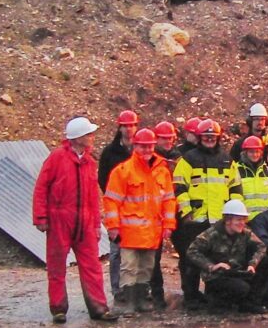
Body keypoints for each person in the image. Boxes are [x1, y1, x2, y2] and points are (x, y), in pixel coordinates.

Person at [32, 116, 117, 323]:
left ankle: (99, 308)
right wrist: (41, 217)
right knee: (56, 265)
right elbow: (41, 188)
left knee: (92, 266)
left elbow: (92, 196)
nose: (92, 137)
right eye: (88, 134)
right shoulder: (56, 158)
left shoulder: (89, 161)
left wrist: (97, 225)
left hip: (85, 222)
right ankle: (58, 308)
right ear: (78, 138)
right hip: (60, 218)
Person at [102, 128, 176, 313]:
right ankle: (128, 302)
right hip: (129, 232)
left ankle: (142, 300)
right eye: (143, 147)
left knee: (146, 268)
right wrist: (113, 227)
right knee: (129, 268)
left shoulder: (162, 171)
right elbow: (111, 201)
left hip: (152, 232)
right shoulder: (123, 171)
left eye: (149, 146)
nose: (146, 150)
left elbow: (168, 200)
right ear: (135, 146)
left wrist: (169, 225)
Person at [172, 119, 243, 309]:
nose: (210, 139)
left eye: (213, 136)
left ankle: (213, 297)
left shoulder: (227, 160)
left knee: (218, 259)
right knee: (191, 260)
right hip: (196, 219)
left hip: (219, 220)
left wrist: (233, 216)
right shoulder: (188, 159)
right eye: (206, 136)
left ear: (218, 137)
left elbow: (236, 189)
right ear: (200, 138)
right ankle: (191, 297)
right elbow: (179, 188)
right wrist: (187, 212)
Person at [186, 199, 268, 314]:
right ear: (228, 220)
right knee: (241, 288)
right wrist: (211, 266)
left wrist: (252, 264)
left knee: (267, 261)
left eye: (243, 219)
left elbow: (261, 247)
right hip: (217, 276)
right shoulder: (211, 234)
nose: (242, 223)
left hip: (235, 270)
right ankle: (218, 302)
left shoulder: (245, 233)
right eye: (238, 220)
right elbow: (192, 251)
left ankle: (250, 304)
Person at [98, 109, 139, 302]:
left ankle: (138, 289)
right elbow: (102, 180)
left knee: (139, 250)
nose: (129, 129)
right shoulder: (110, 152)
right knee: (116, 252)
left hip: (140, 208)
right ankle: (118, 290)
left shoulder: (143, 149)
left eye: (132, 125)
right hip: (118, 208)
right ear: (120, 127)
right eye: (126, 125)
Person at [149, 120, 180, 310]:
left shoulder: (179, 158)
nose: (168, 141)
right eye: (164, 138)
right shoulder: (150, 159)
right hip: (152, 215)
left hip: (175, 211)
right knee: (152, 259)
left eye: (170, 138)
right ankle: (156, 294)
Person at [237, 136, 268, 220]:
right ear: (245, 153)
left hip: (266, 220)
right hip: (246, 220)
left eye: (257, 152)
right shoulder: (236, 170)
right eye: (251, 152)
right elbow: (236, 196)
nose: (255, 155)